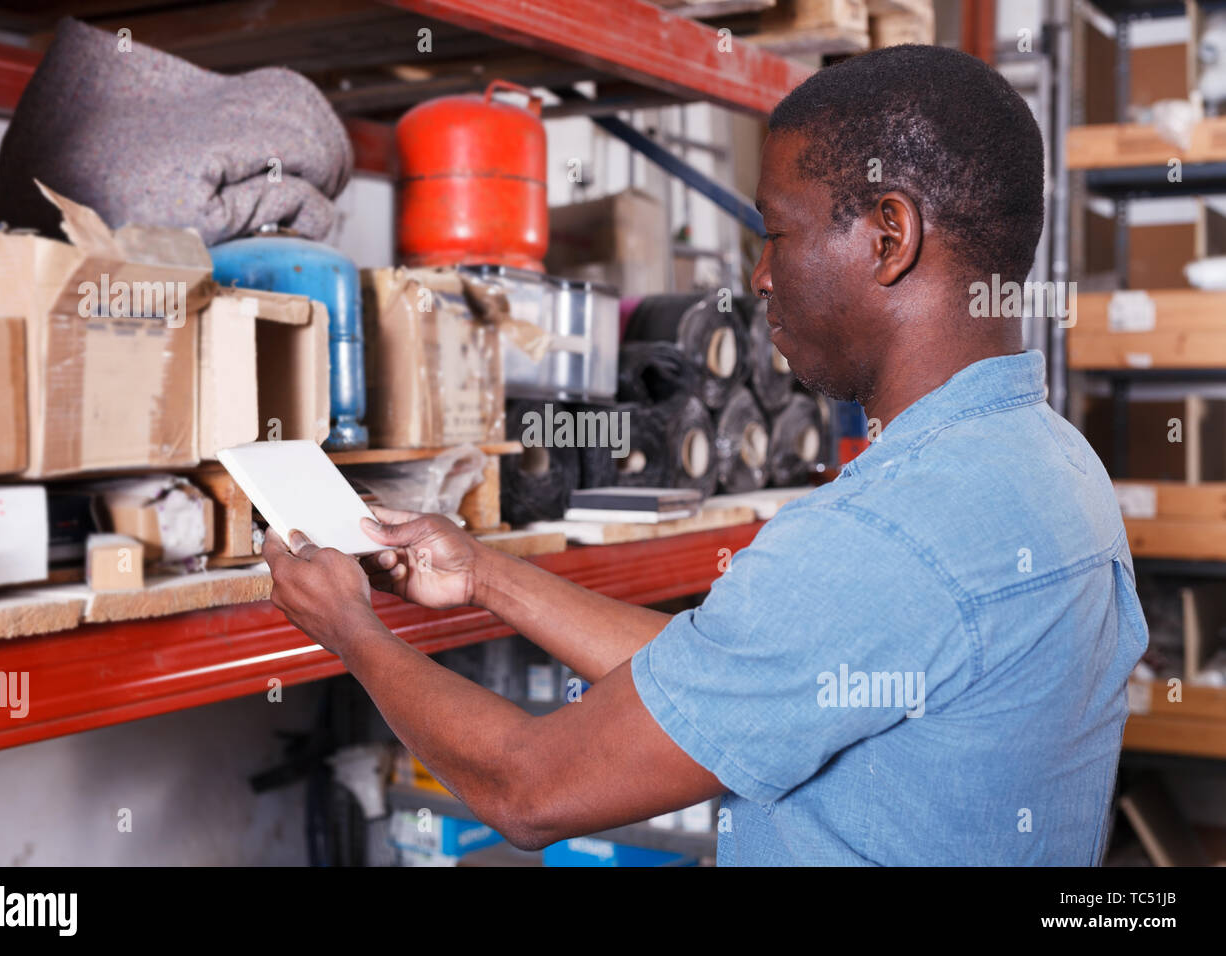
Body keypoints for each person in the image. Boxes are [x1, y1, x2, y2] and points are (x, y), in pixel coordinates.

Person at [264, 44, 1149, 865]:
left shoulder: (881, 536)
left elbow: (530, 786)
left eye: (778, 231)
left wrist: (350, 626)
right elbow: (736, 671)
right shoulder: (1055, 463)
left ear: (889, 237)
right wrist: (485, 576)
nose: (761, 275)